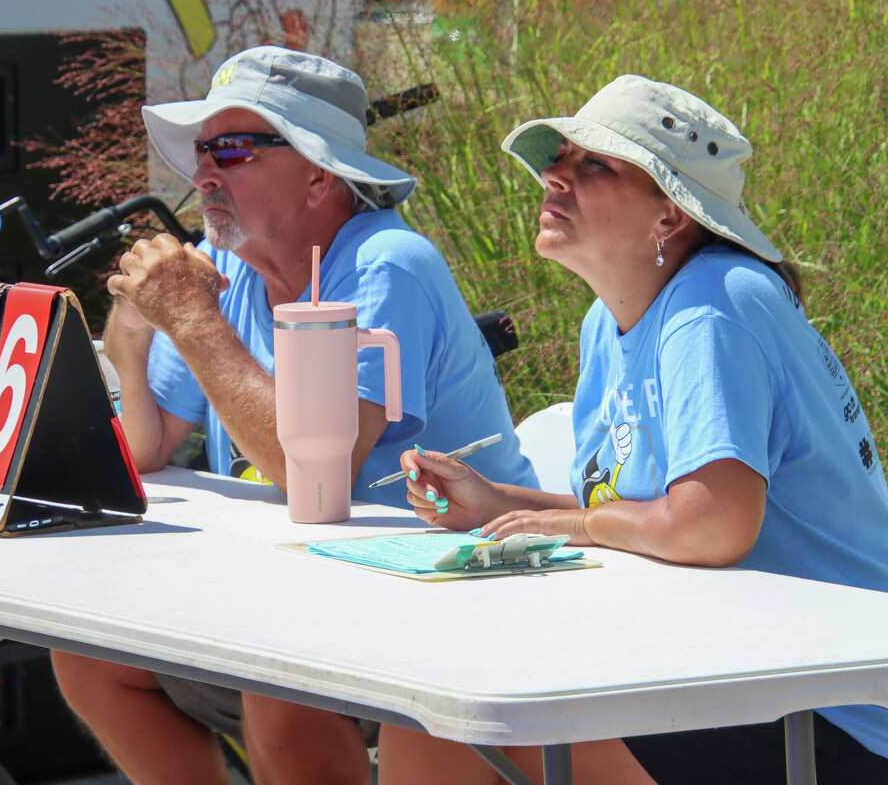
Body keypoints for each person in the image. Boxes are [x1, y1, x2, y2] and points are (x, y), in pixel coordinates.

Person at [378, 74, 888, 785]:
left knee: (466, 715)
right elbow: (652, 512)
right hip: (736, 670)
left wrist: (567, 527)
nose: (554, 176)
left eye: (594, 165)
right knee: (439, 708)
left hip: (829, 711)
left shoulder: (712, 304)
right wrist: (503, 506)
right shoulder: (610, 320)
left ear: (671, 218)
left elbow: (711, 528)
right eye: (559, 158)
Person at [50, 45, 539, 785]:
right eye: (201, 150)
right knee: (90, 654)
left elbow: (315, 472)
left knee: (273, 666)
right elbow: (146, 450)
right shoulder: (236, 270)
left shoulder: (385, 264)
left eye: (235, 148)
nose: (205, 171)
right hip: (309, 588)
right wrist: (130, 326)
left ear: (318, 172)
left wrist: (191, 319)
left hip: (451, 597)